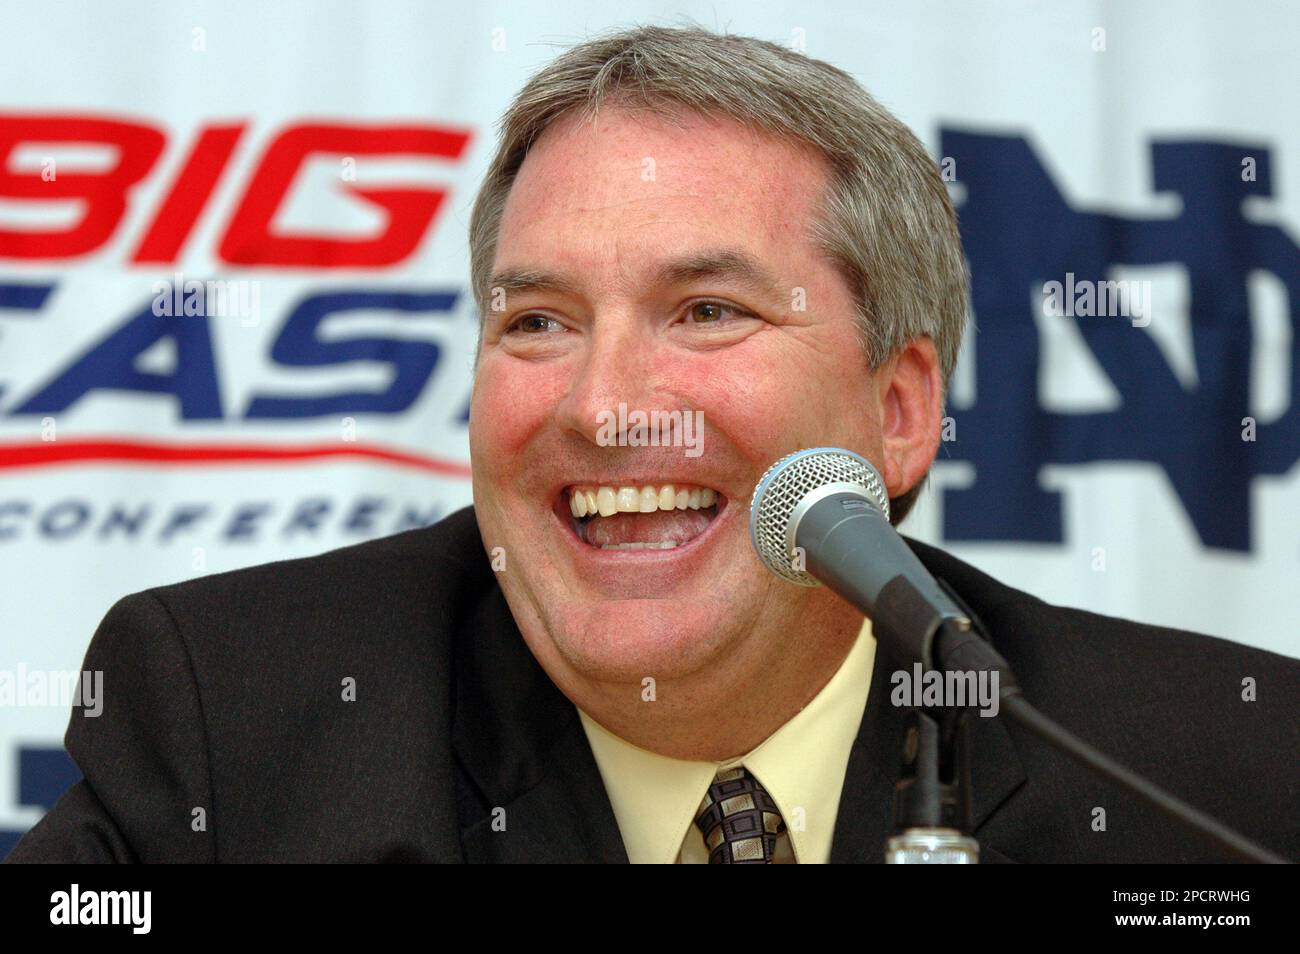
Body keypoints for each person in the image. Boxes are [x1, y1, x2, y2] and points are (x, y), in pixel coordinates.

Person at [7, 25, 1297, 864]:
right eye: (539, 320)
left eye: (708, 312)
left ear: (898, 413)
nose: (605, 404)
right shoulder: (229, 735)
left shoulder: (1218, 780)